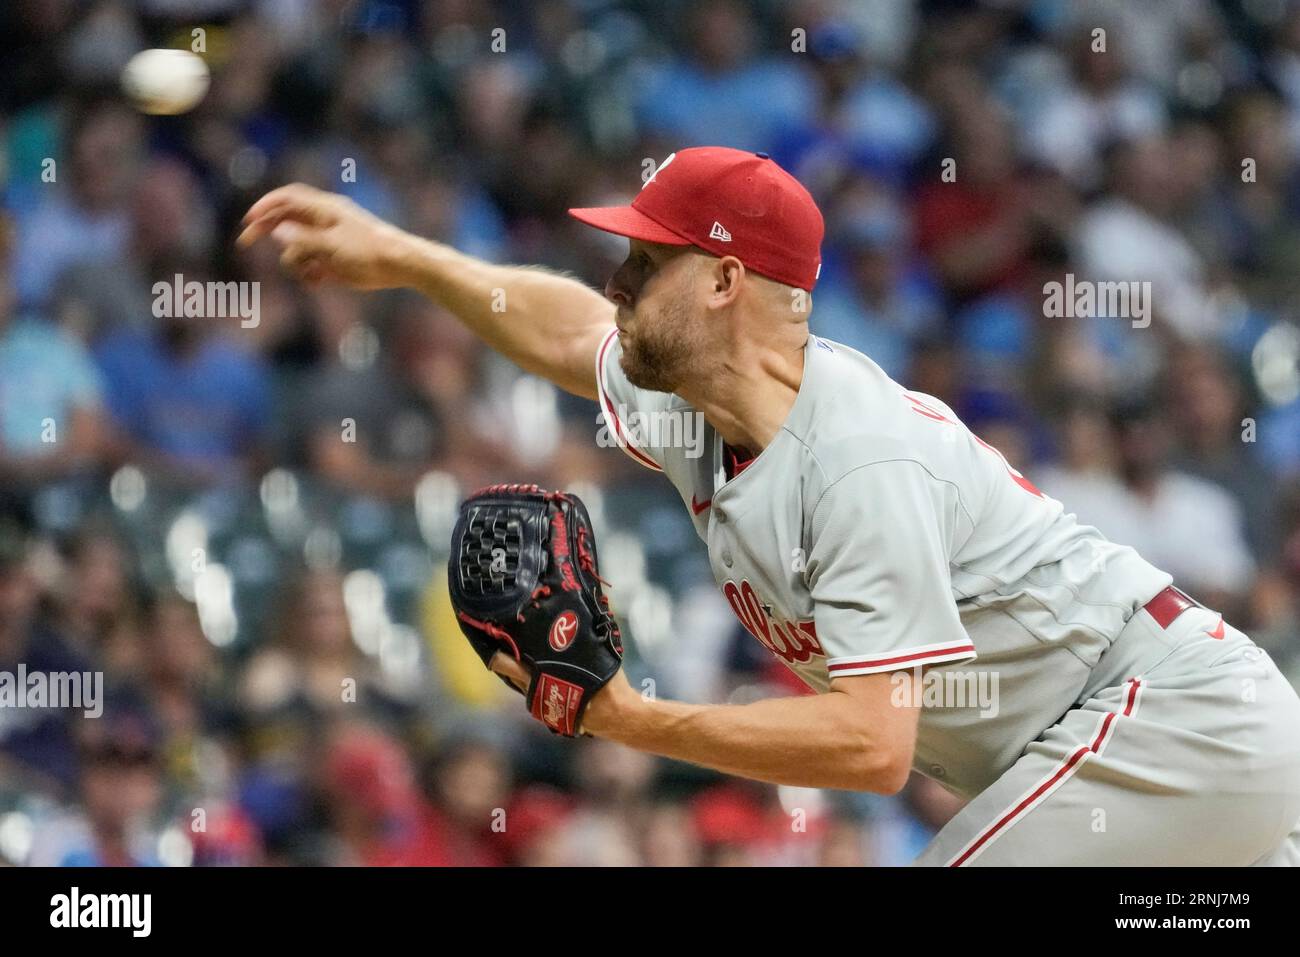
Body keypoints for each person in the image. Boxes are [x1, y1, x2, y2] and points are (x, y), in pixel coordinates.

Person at [239, 146, 1300, 865]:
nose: (616, 278)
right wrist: (409, 259)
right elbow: (567, 333)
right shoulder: (693, 404)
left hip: (1163, 724)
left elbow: (872, 751)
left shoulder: (854, 462)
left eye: (644, 259)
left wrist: (632, 721)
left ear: (720, 283)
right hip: (1141, 759)